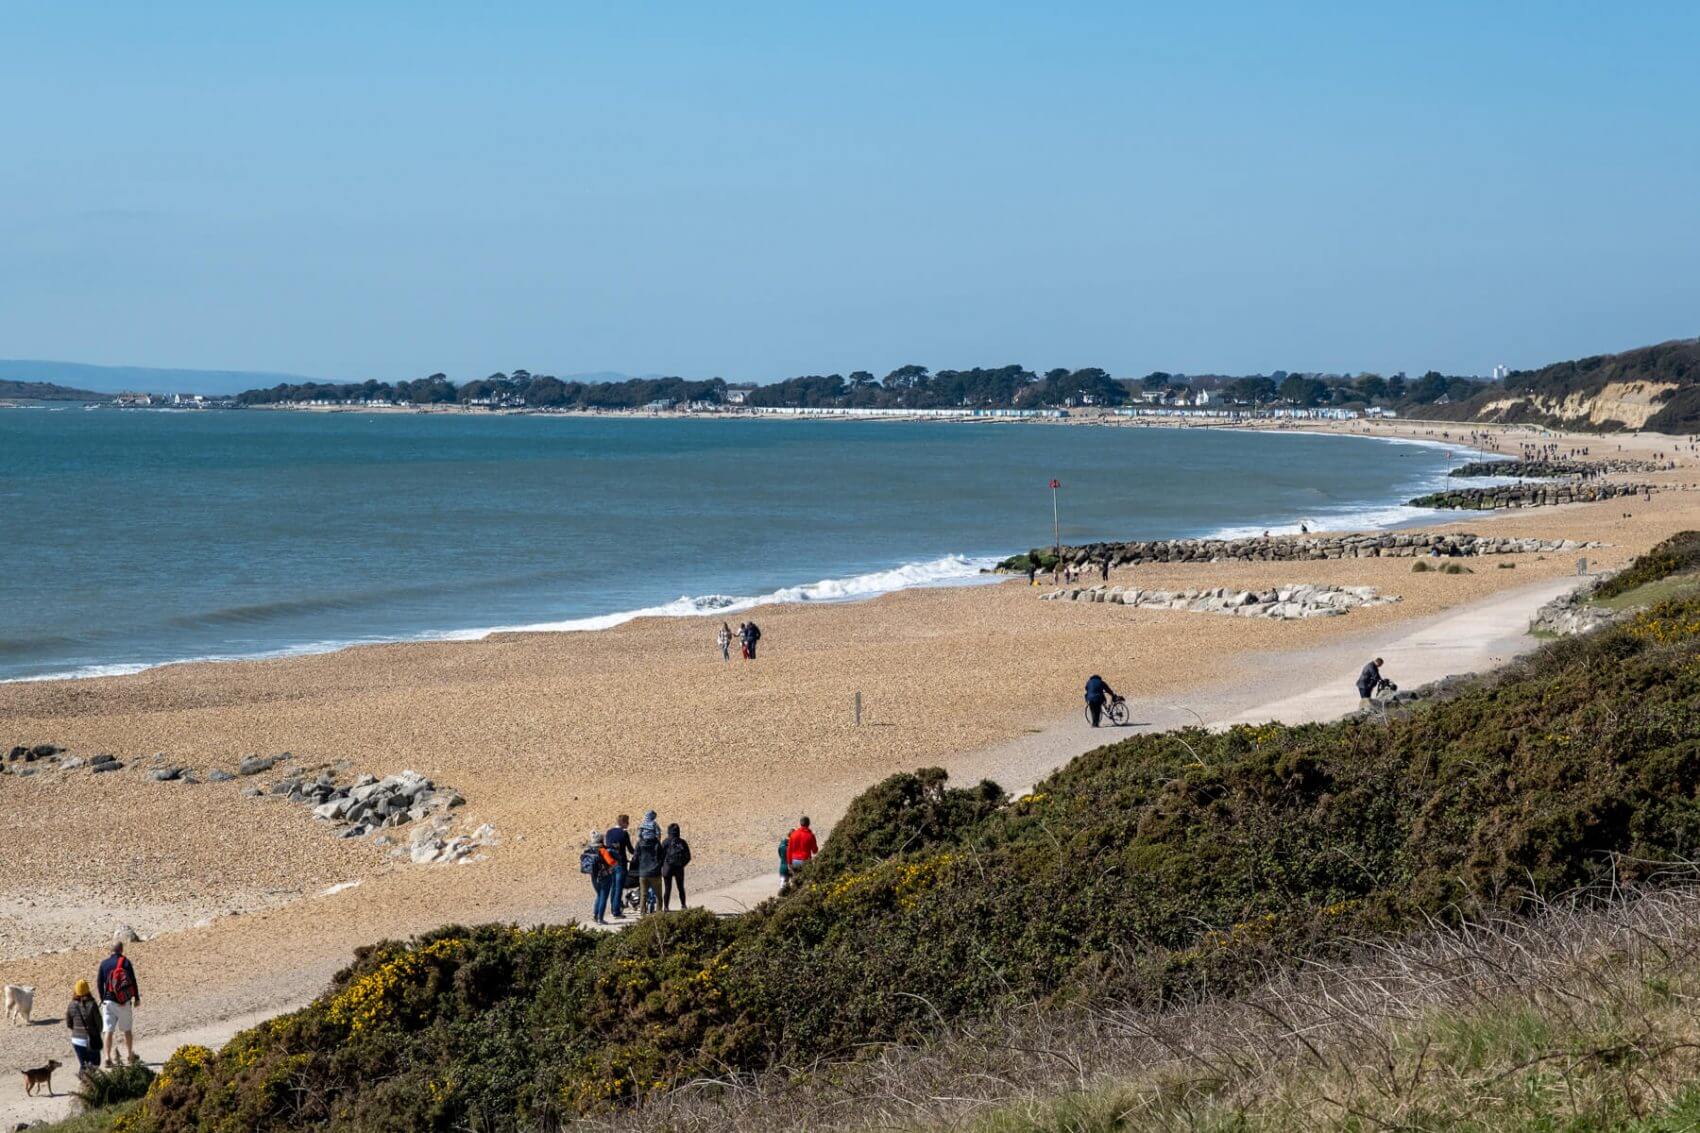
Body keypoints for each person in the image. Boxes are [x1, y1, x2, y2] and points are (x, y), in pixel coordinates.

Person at [97, 940, 140, 1067]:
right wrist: (136, 998)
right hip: (123, 1001)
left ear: (111, 950)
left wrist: (103, 998)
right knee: (127, 1030)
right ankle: (130, 1055)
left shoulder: (104, 964)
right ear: (121, 950)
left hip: (109, 1001)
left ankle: (107, 1057)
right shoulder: (126, 962)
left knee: (108, 1030)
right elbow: (132, 981)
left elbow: (99, 983)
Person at [64, 979, 102, 1075]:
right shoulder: (92, 1004)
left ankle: (84, 1082)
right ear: (88, 990)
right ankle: (90, 1084)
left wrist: (77, 1030)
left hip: (76, 1040)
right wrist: (97, 1033)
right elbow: (99, 1023)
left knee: (83, 1065)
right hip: (91, 1039)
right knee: (95, 1063)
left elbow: (69, 1023)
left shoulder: (71, 1005)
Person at [631, 817, 664, 915]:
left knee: (643, 894)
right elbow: (661, 856)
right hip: (655, 872)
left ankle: (643, 913)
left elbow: (635, 858)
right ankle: (658, 913)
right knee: (658, 895)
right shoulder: (656, 843)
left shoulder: (640, 843)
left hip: (643, 872)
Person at [584, 832, 618, 925]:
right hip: (604, 876)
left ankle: (595, 915)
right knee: (603, 897)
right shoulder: (602, 850)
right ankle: (600, 918)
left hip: (593, 876)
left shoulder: (589, 849)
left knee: (599, 895)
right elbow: (611, 862)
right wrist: (615, 864)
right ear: (601, 840)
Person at [603, 815, 632, 921]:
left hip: (610, 863)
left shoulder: (609, 832)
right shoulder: (624, 833)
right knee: (619, 887)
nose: (628, 824)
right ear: (623, 823)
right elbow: (630, 849)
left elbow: (608, 847)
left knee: (613, 887)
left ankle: (612, 909)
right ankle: (616, 911)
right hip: (620, 863)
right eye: (627, 822)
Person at [660, 822, 691, 910]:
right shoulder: (682, 842)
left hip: (667, 868)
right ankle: (683, 905)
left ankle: (666, 907)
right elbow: (688, 857)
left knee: (667, 889)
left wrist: (663, 866)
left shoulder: (665, 842)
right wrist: (682, 864)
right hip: (679, 868)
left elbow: (661, 856)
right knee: (680, 887)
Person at [785, 816, 819, 886]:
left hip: (795, 860)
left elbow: (789, 850)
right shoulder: (810, 835)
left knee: (796, 882)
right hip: (805, 860)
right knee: (806, 882)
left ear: (800, 824)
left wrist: (789, 863)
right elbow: (815, 851)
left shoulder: (793, 834)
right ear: (808, 824)